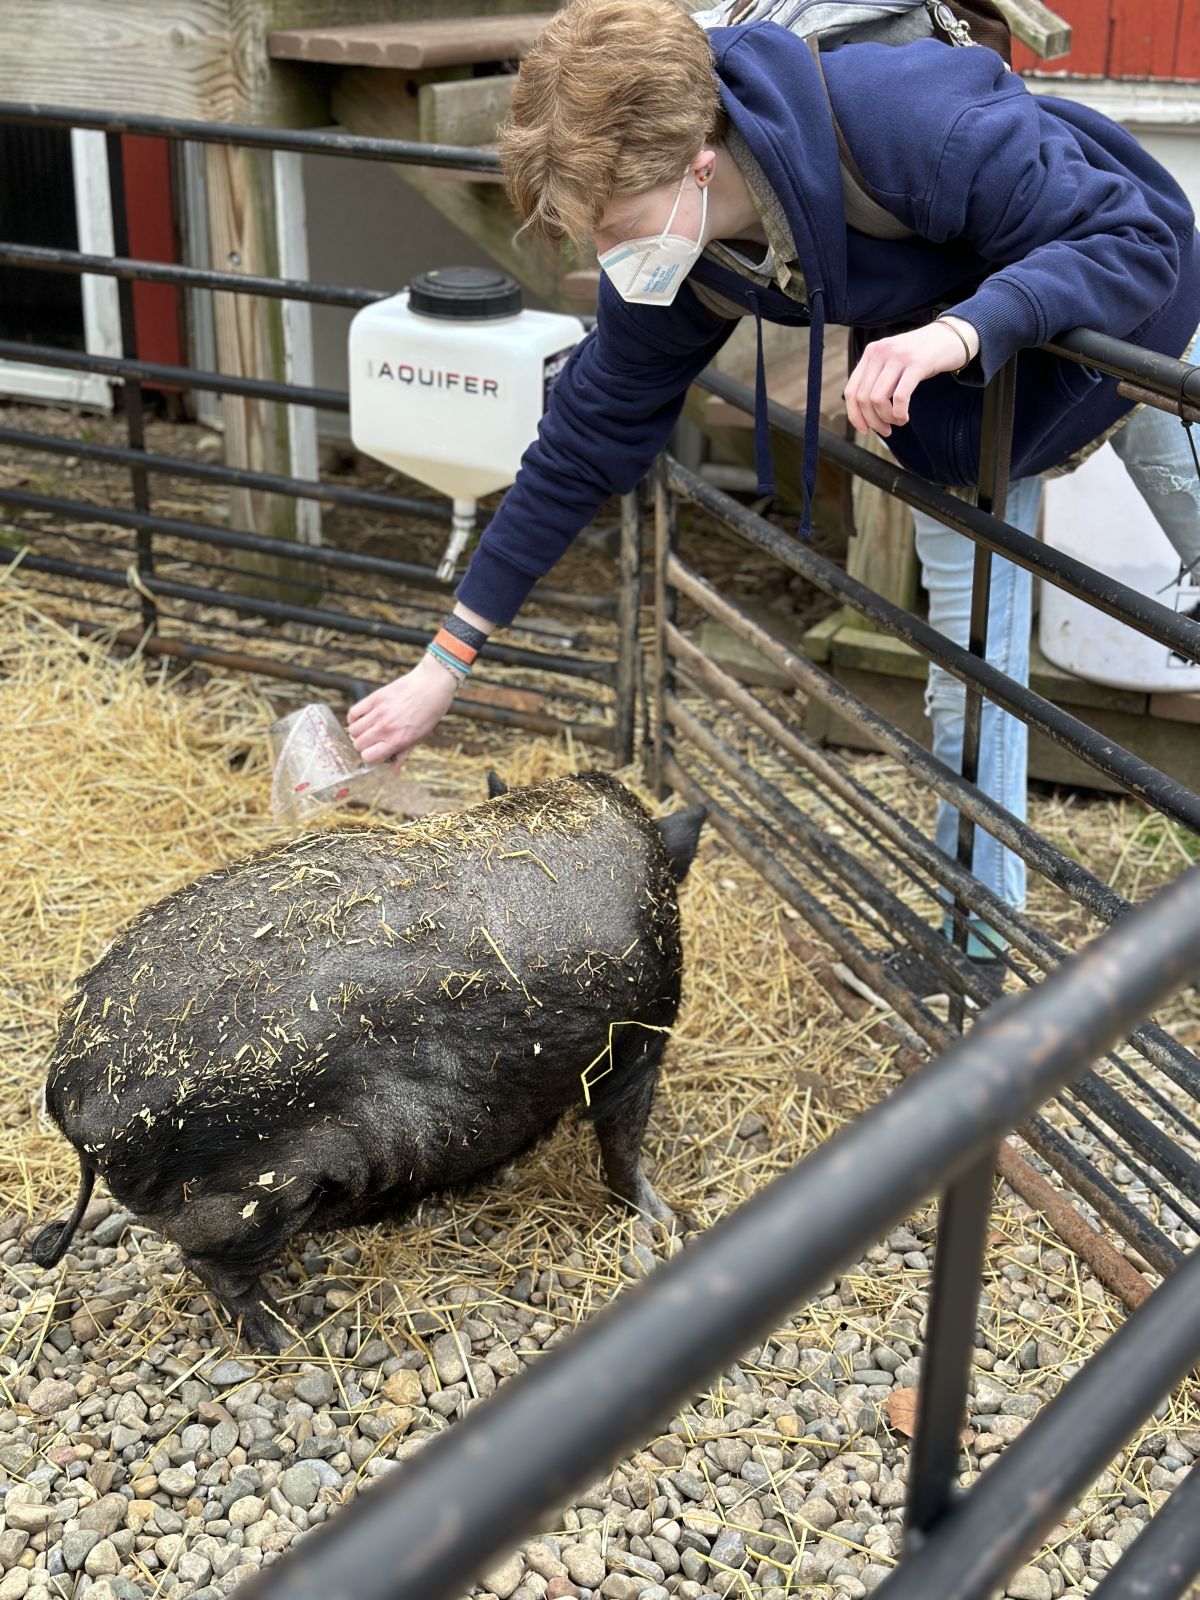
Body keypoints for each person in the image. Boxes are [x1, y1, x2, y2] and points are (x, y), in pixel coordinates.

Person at [347, 0, 1200, 981]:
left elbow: (1134, 238)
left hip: (1143, 350)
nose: (607, 259)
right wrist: (445, 662)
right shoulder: (677, 253)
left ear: (697, 167)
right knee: (968, 681)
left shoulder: (902, 117)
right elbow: (585, 439)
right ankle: (976, 951)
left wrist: (960, 330)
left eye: (614, 229)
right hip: (975, 418)